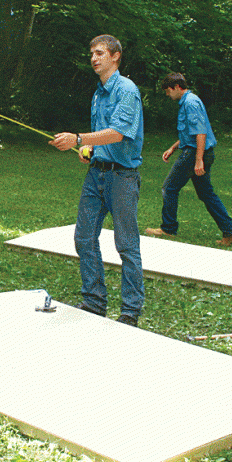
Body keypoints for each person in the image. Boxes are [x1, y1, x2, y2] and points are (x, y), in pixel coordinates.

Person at [49, 35, 145, 327]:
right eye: (91, 53)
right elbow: (100, 136)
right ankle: (93, 301)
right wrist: (88, 150)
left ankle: (130, 310)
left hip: (122, 177)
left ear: (115, 57)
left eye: (100, 53)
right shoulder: (98, 93)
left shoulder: (127, 90)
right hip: (97, 174)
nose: (94, 58)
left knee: (126, 245)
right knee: (83, 237)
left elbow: (117, 133)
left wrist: (78, 138)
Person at [144, 73, 232, 246]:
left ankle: (168, 228)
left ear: (176, 87)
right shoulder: (189, 101)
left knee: (169, 188)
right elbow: (189, 133)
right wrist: (173, 148)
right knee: (206, 193)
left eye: (168, 91)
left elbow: (200, 133)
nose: (167, 95)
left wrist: (198, 160)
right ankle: (231, 231)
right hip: (199, 151)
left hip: (195, 153)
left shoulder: (190, 103)